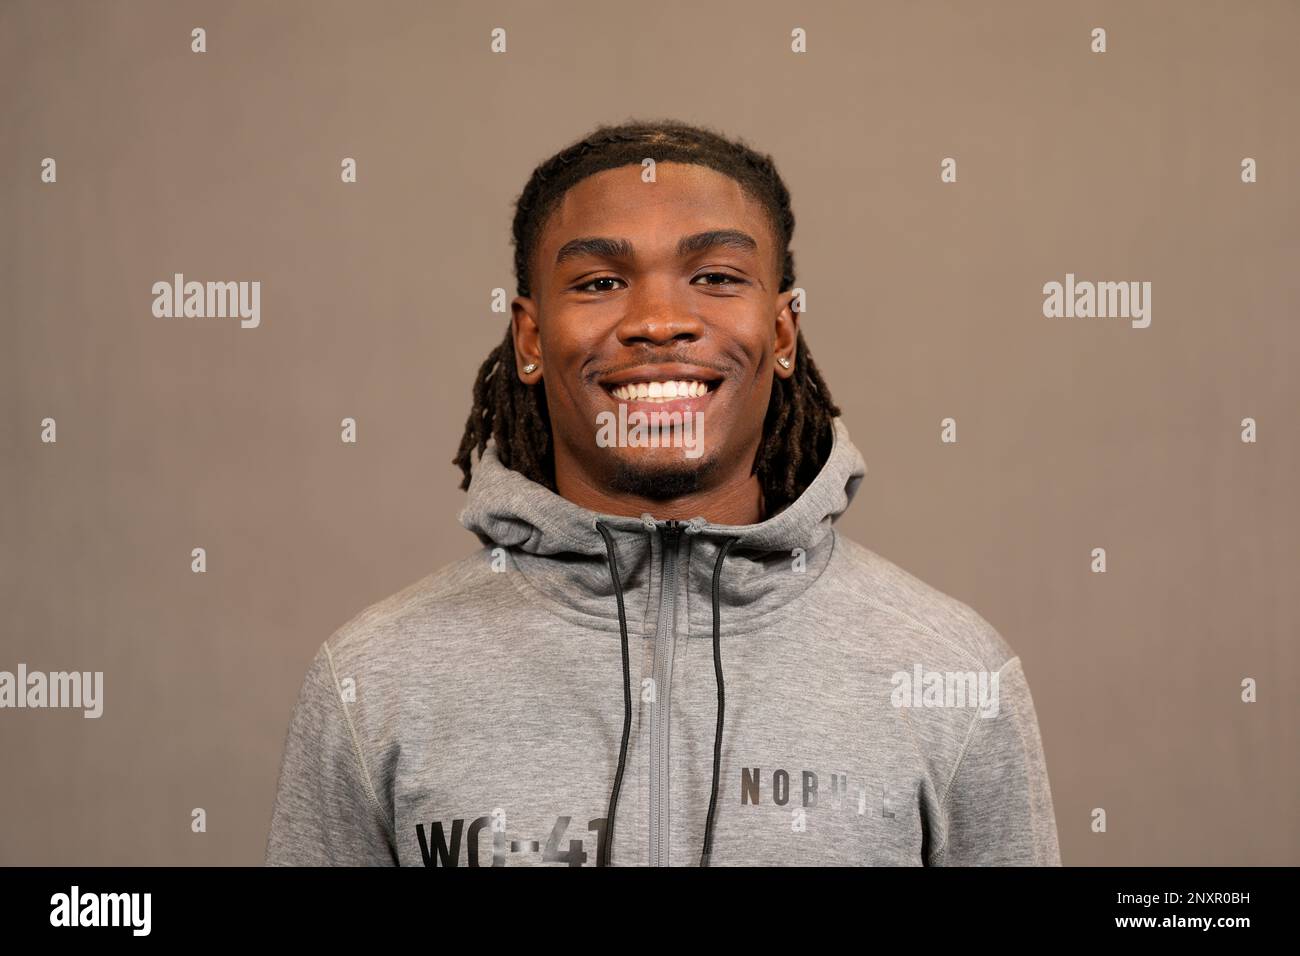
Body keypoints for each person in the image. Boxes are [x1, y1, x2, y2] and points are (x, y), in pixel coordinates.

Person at [265, 119, 1062, 866]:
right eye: (601, 280)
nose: (658, 320)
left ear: (781, 334)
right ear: (532, 339)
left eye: (715, 276)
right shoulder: (374, 678)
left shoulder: (951, 673)